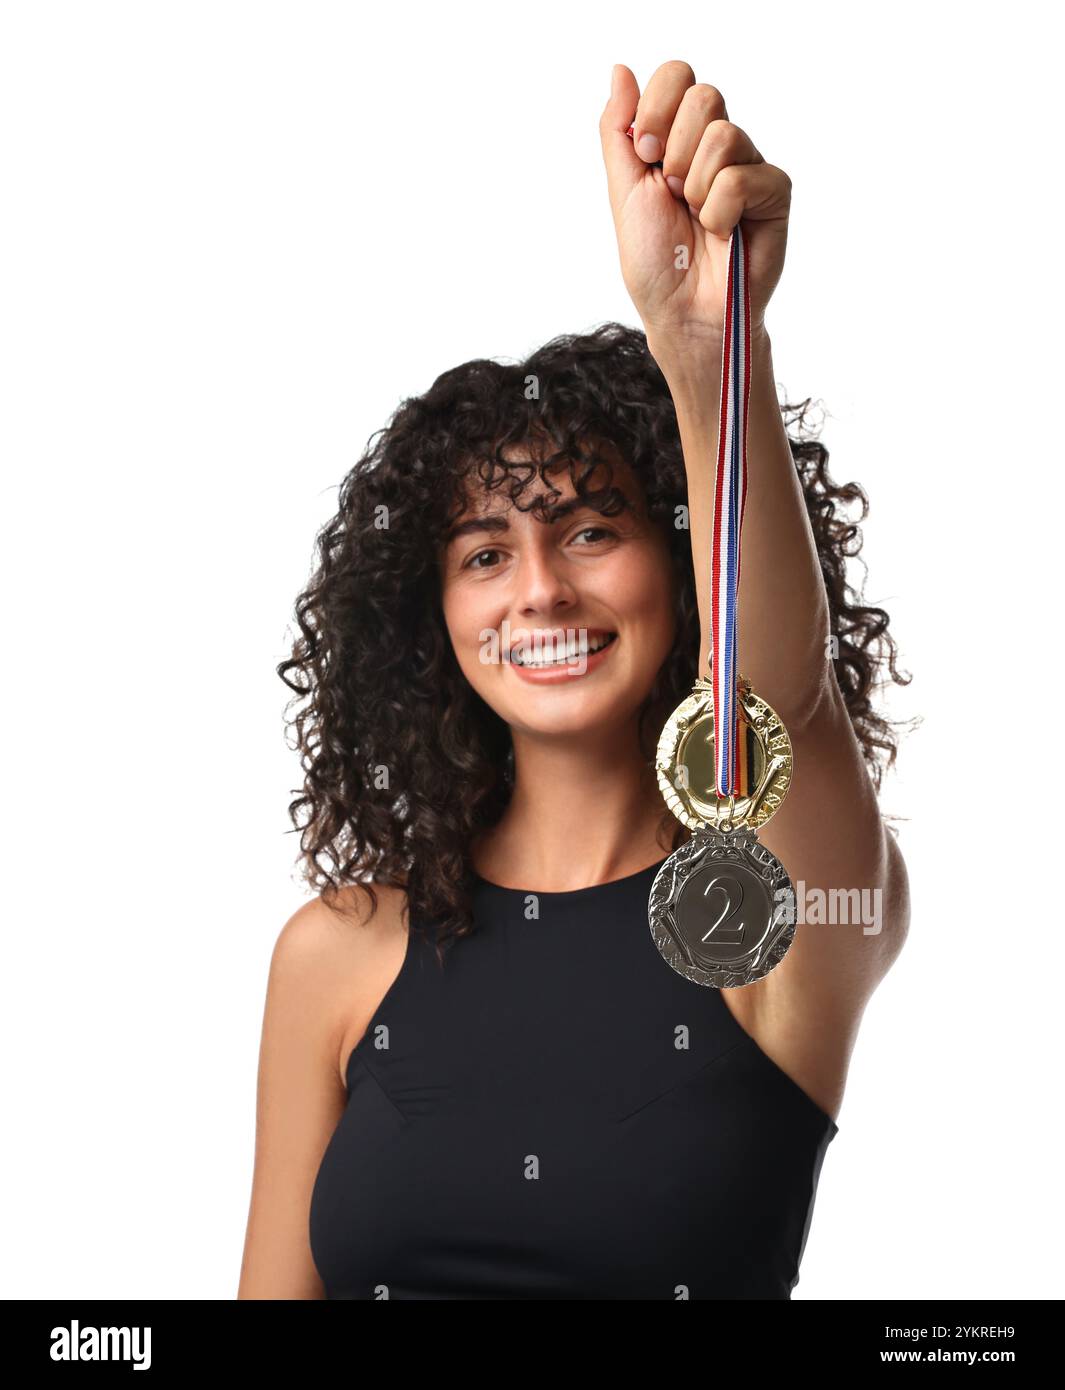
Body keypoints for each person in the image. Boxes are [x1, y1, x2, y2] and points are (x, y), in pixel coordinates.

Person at [237, 60, 912, 1300]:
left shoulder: (769, 923)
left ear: (682, 564)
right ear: (430, 614)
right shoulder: (337, 956)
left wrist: (709, 356)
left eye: (592, 528)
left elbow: (783, 705)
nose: (539, 587)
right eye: (486, 552)